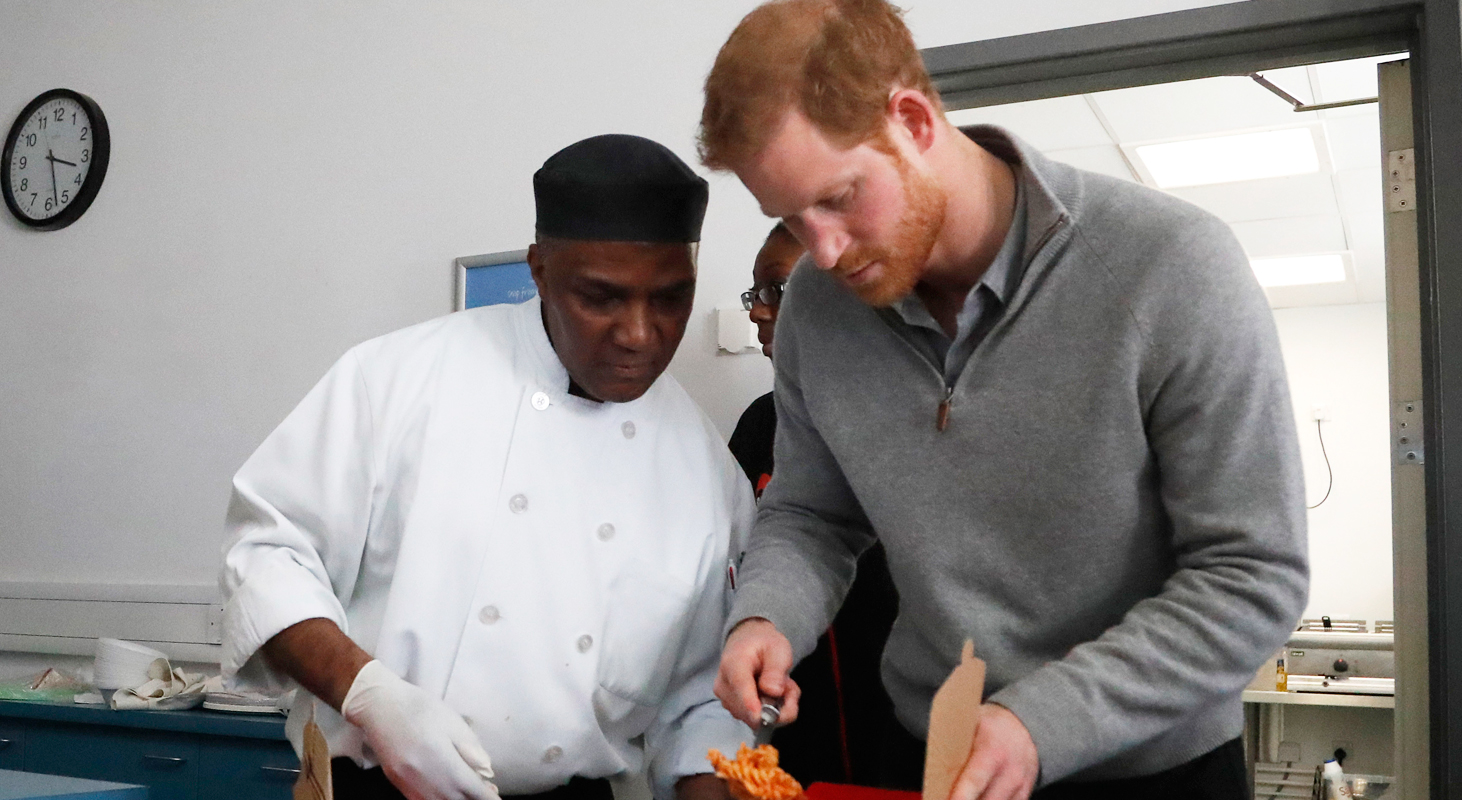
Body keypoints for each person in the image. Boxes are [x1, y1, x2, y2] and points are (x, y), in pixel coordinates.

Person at [698, 2, 1310, 799]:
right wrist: (766, 616)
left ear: (914, 121)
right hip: (928, 753)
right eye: (788, 216)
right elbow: (813, 514)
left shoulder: (1174, 267)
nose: (824, 250)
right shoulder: (817, 306)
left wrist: (1039, 722)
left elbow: (1251, 575)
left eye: (839, 197)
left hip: (1152, 770)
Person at [220, 134, 753, 800]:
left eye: (671, 299)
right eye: (601, 298)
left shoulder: (704, 469)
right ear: (540, 270)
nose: (640, 334)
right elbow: (268, 558)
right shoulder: (398, 381)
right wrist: (369, 694)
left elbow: (701, 703)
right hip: (375, 790)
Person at [727, 224, 901, 787]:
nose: (758, 311)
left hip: (906, 726)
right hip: (795, 718)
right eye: (755, 293)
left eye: (777, 290)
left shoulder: (917, 416)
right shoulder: (760, 424)